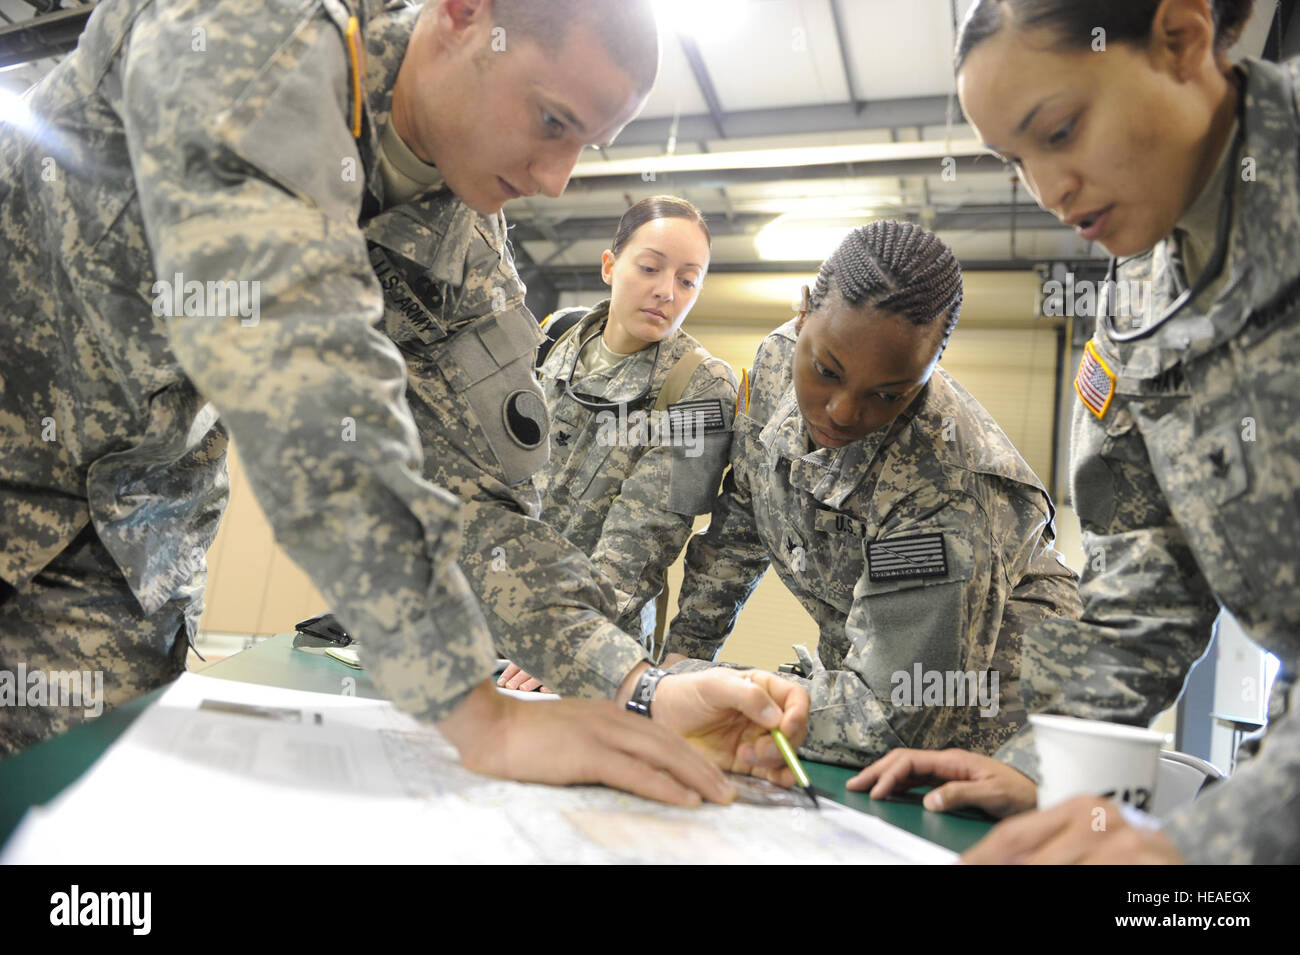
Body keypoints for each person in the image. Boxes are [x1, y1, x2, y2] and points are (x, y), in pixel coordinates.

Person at [0, 0, 807, 805]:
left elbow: (480, 502)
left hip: (116, 552)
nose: (556, 178)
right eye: (551, 120)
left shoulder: (459, 229)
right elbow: (311, 401)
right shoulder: (249, 32)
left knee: (76, 815)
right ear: (462, 15)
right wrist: (476, 712)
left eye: (584, 145)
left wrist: (636, 683)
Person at [854, 0, 1300, 864]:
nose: (1046, 190)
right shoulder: (1136, 300)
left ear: (1180, 36)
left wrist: (1199, 848)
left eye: (1057, 130)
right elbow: (1143, 587)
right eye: (1014, 159)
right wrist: (1036, 767)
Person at [659, 221, 1083, 767]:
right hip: (869, 698)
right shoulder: (774, 362)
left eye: (887, 394)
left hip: (1000, 740)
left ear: (927, 374)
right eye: (826, 371)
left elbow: (890, 716)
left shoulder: (946, 485)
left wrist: (692, 687)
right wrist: (681, 659)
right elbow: (746, 513)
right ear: (804, 310)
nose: (843, 411)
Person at [496, 196, 737, 693]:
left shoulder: (700, 386)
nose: (666, 291)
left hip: (592, 649)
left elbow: (642, 540)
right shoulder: (557, 335)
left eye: (688, 280)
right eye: (649, 267)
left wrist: (567, 641)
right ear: (610, 266)